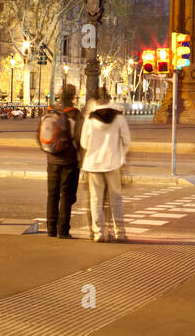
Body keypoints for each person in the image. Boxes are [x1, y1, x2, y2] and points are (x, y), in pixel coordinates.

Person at [80, 95, 131, 242]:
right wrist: (120, 153)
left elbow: (84, 143)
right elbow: (126, 140)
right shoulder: (119, 118)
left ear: (97, 103)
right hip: (113, 163)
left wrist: (94, 148)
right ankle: (119, 233)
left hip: (93, 164)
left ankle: (99, 233)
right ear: (110, 101)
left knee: (96, 200)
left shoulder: (90, 119)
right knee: (116, 199)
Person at [39, 84, 84, 238]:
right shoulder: (75, 114)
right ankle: (63, 230)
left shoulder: (49, 110)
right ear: (73, 96)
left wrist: (50, 150)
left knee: (52, 195)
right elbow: (80, 138)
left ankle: (51, 229)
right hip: (69, 160)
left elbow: (39, 136)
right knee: (66, 195)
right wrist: (80, 157)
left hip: (51, 160)